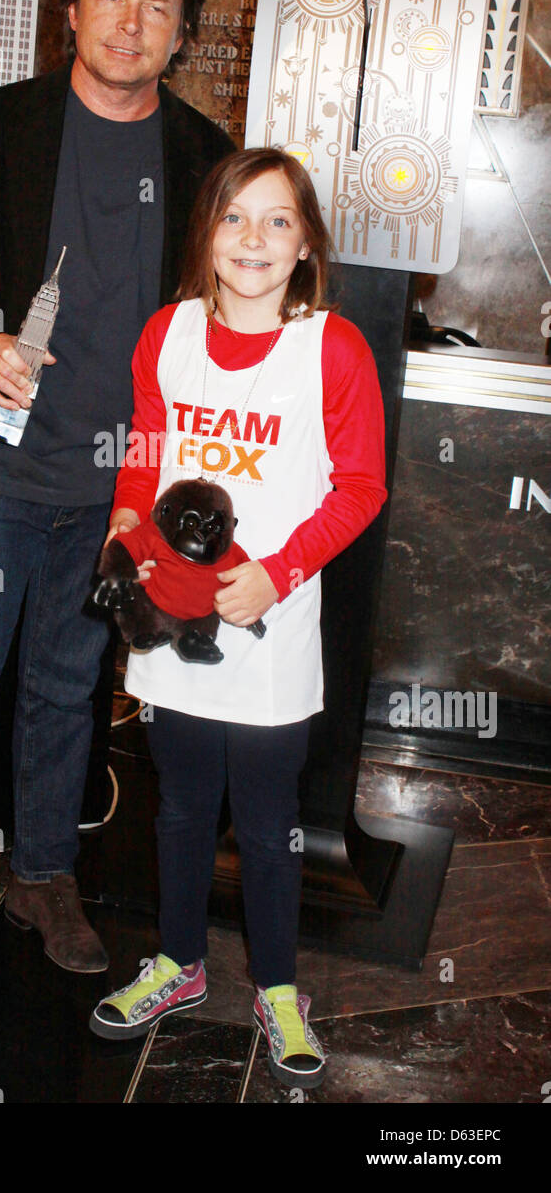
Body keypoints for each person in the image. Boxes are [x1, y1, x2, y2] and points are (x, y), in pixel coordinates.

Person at [0, 0, 234, 1002]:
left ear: (180, 29)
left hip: (116, 485)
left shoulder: (200, 155)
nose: (130, 23)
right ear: (71, 9)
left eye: (156, 4)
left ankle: (45, 875)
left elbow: (220, 313)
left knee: (66, 691)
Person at [88, 147, 387, 1087]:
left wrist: (281, 569)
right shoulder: (164, 334)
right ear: (207, 233)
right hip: (173, 628)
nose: (252, 238)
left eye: (278, 221)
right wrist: (126, 530)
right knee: (177, 808)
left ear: (305, 247)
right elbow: (143, 453)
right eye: (234, 217)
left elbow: (363, 485)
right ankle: (177, 965)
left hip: (270, 631)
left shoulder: (332, 347)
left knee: (267, 824)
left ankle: (280, 990)